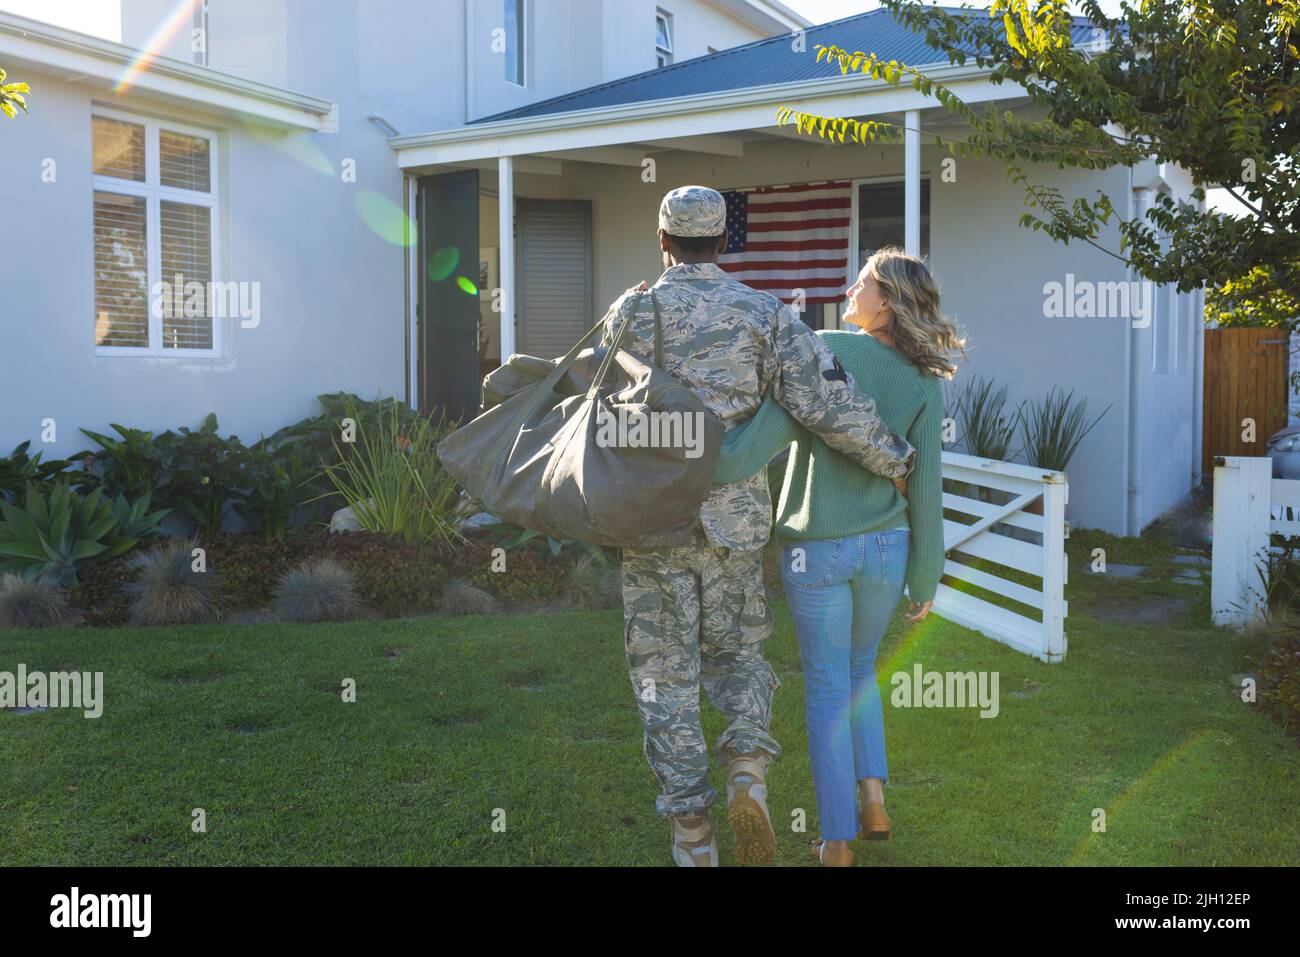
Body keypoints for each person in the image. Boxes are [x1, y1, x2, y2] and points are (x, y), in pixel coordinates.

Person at [599, 187, 916, 867]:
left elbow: (603, 413)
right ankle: (748, 774)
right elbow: (828, 400)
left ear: (663, 241)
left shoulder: (630, 311)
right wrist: (896, 460)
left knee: (664, 675)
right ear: (722, 241)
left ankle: (693, 834)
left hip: (653, 521)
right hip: (734, 528)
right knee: (740, 656)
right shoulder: (765, 315)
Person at [713, 246, 964, 866]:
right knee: (859, 672)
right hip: (888, 548)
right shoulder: (925, 381)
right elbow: (927, 485)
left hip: (817, 550)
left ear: (889, 303)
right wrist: (926, 577)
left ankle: (836, 841)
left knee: (827, 688)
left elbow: (745, 455)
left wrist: (690, 450)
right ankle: (873, 796)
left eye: (865, 281)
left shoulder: (823, 350)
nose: (851, 287)